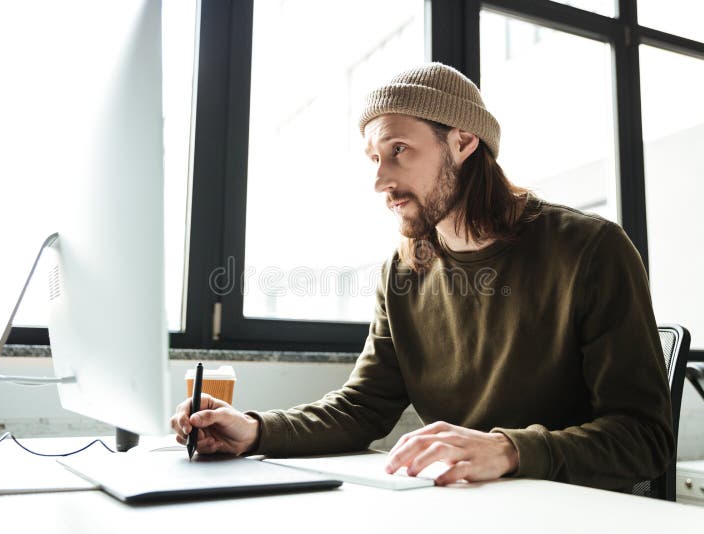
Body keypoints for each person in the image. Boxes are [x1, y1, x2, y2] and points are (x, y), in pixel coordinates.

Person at [170, 62, 674, 491]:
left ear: (463, 140)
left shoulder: (591, 249)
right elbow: (362, 408)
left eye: (398, 151)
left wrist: (509, 450)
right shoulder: (403, 271)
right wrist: (254, 430)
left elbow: (645, 438)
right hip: (468, 505)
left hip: (574, 509)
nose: (380, 180)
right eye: (374, 158)